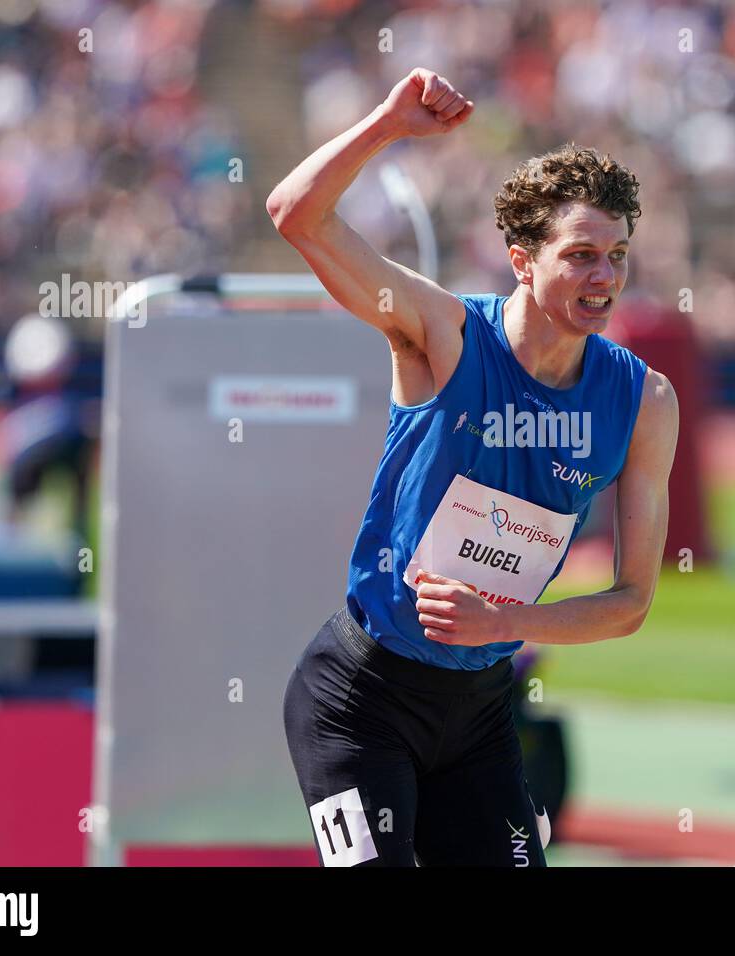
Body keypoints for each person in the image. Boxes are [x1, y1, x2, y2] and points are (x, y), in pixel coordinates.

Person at [269, 68, 678, 867]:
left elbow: (631, 602)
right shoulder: (443, 336)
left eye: (619, 256)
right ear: (523, 260)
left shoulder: (643, 400)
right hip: (359, 702)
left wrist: (506, 624)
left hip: (481, 711)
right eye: (582, 255)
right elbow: (294, 214)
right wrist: (387, 124)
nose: (605, 277)